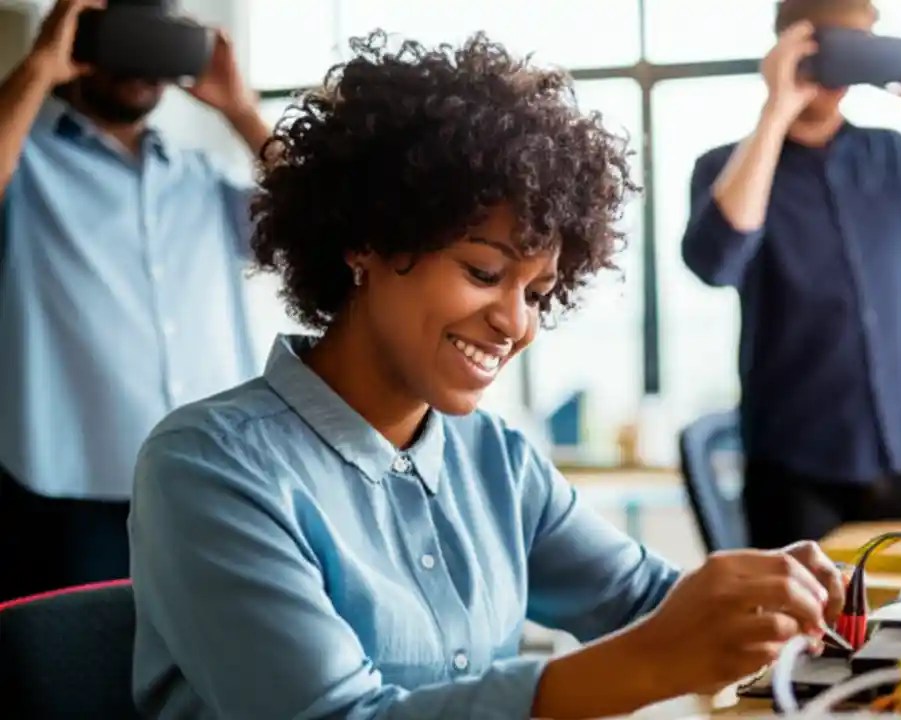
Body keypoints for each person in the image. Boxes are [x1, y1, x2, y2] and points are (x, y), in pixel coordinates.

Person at [128, 32, 848, 720]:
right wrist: (648, 662)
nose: (516, 324)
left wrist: (765, 594)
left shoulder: (495, 461)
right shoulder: (209, 464)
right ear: (365, 242)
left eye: (536, 293)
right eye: (483, 272)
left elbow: (646, 599)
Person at [681, 0, 901, 548]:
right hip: (796, 458)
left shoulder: (891, 155)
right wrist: (776, 110)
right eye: (835, 48)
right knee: (805, 630)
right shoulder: (728, 166)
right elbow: (717, 261)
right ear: (794, 44)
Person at [0, 0, 269, 601]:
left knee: (209, 679)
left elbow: (328, 227)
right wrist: (40, 66)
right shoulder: (26, 160)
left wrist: (242, 110)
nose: (141, 60)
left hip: (212, 481)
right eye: (123, 37)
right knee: (72, 680)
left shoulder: (201, 174)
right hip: (65, 495)